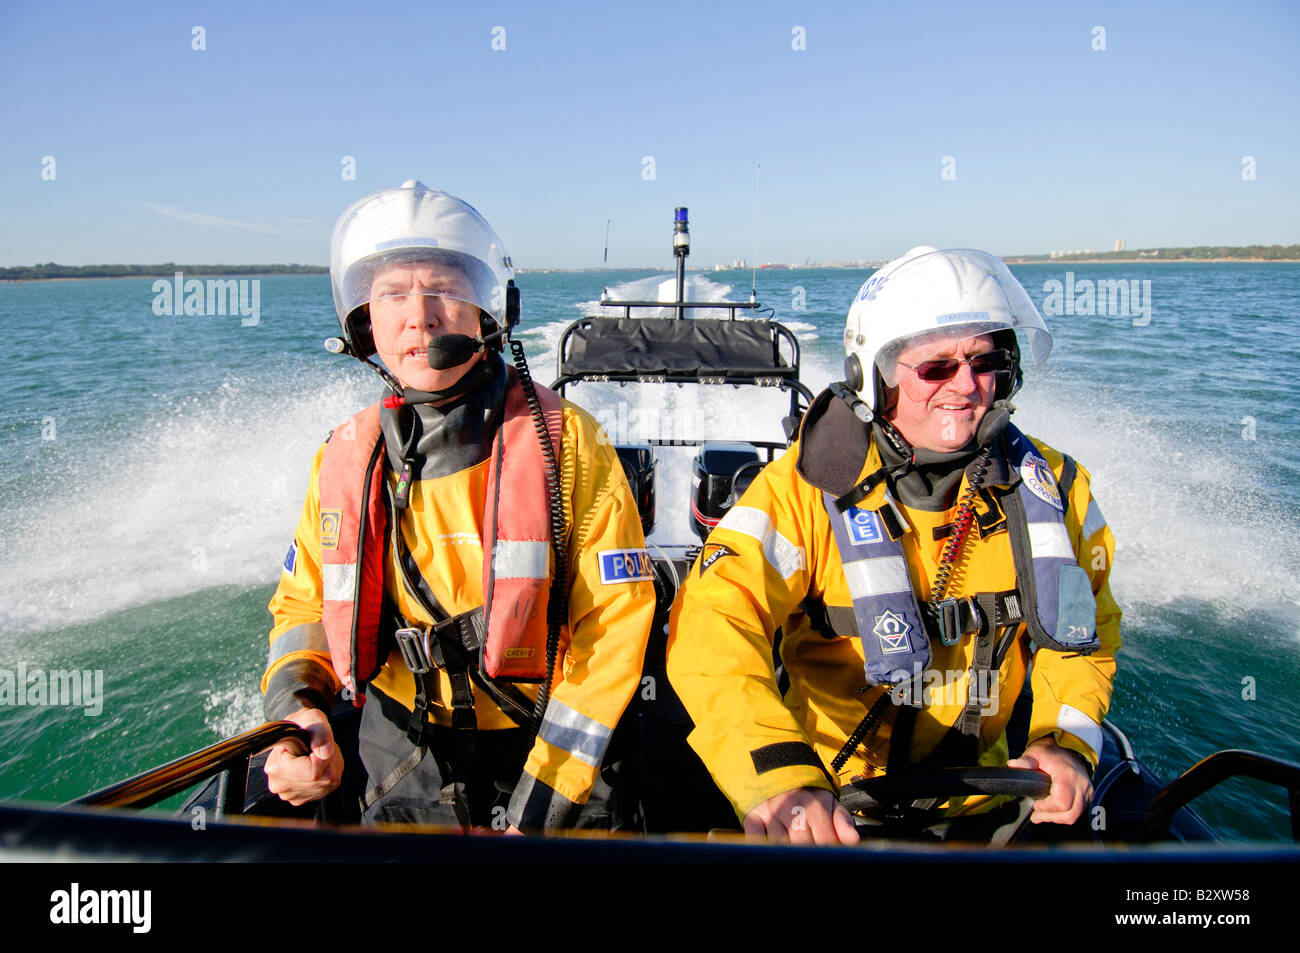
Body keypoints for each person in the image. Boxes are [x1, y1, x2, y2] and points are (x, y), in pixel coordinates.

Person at [665, 246, 1121, 844]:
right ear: (874, 378)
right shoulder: (801, 492)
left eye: (985, 362)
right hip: (824, 809)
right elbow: (711, 625)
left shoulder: (1057, 490)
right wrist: (779, 777)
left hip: (991, 799)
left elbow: (1084, 633)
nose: (967, 386)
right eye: (936, 369)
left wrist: (1061, 746)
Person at [260, 180, 654, 832]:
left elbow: (614, 623)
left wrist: (546, 797)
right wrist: (297, 707)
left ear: (487, 311)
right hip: (405, 748)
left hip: (552, 741)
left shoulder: (570, 444)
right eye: (391, 293)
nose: (419, 314)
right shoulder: (344, 456)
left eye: (443, 286)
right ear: (364, 321)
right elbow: (304, 604)